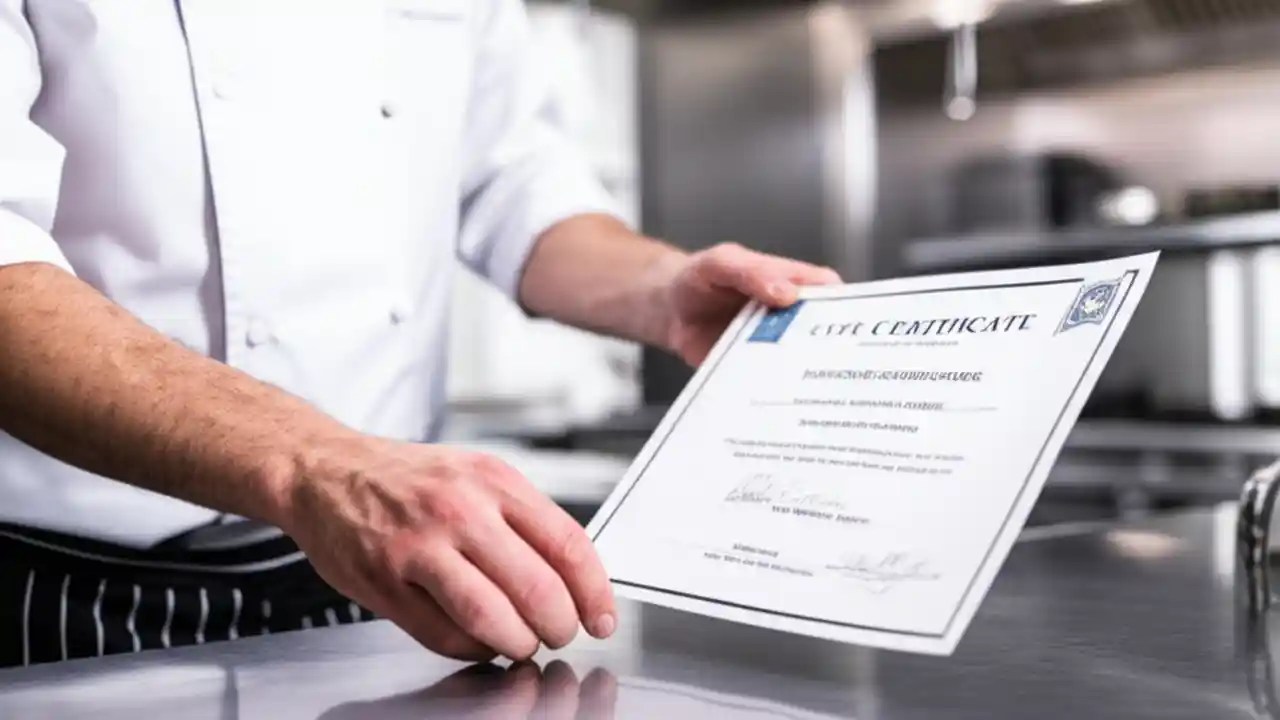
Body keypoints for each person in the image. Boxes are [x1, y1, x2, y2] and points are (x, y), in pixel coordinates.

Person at [0, 0, 840, 667]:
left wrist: (662, 291)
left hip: (390, 578)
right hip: (79, 583)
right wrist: (316, 467)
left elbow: (514, 182)